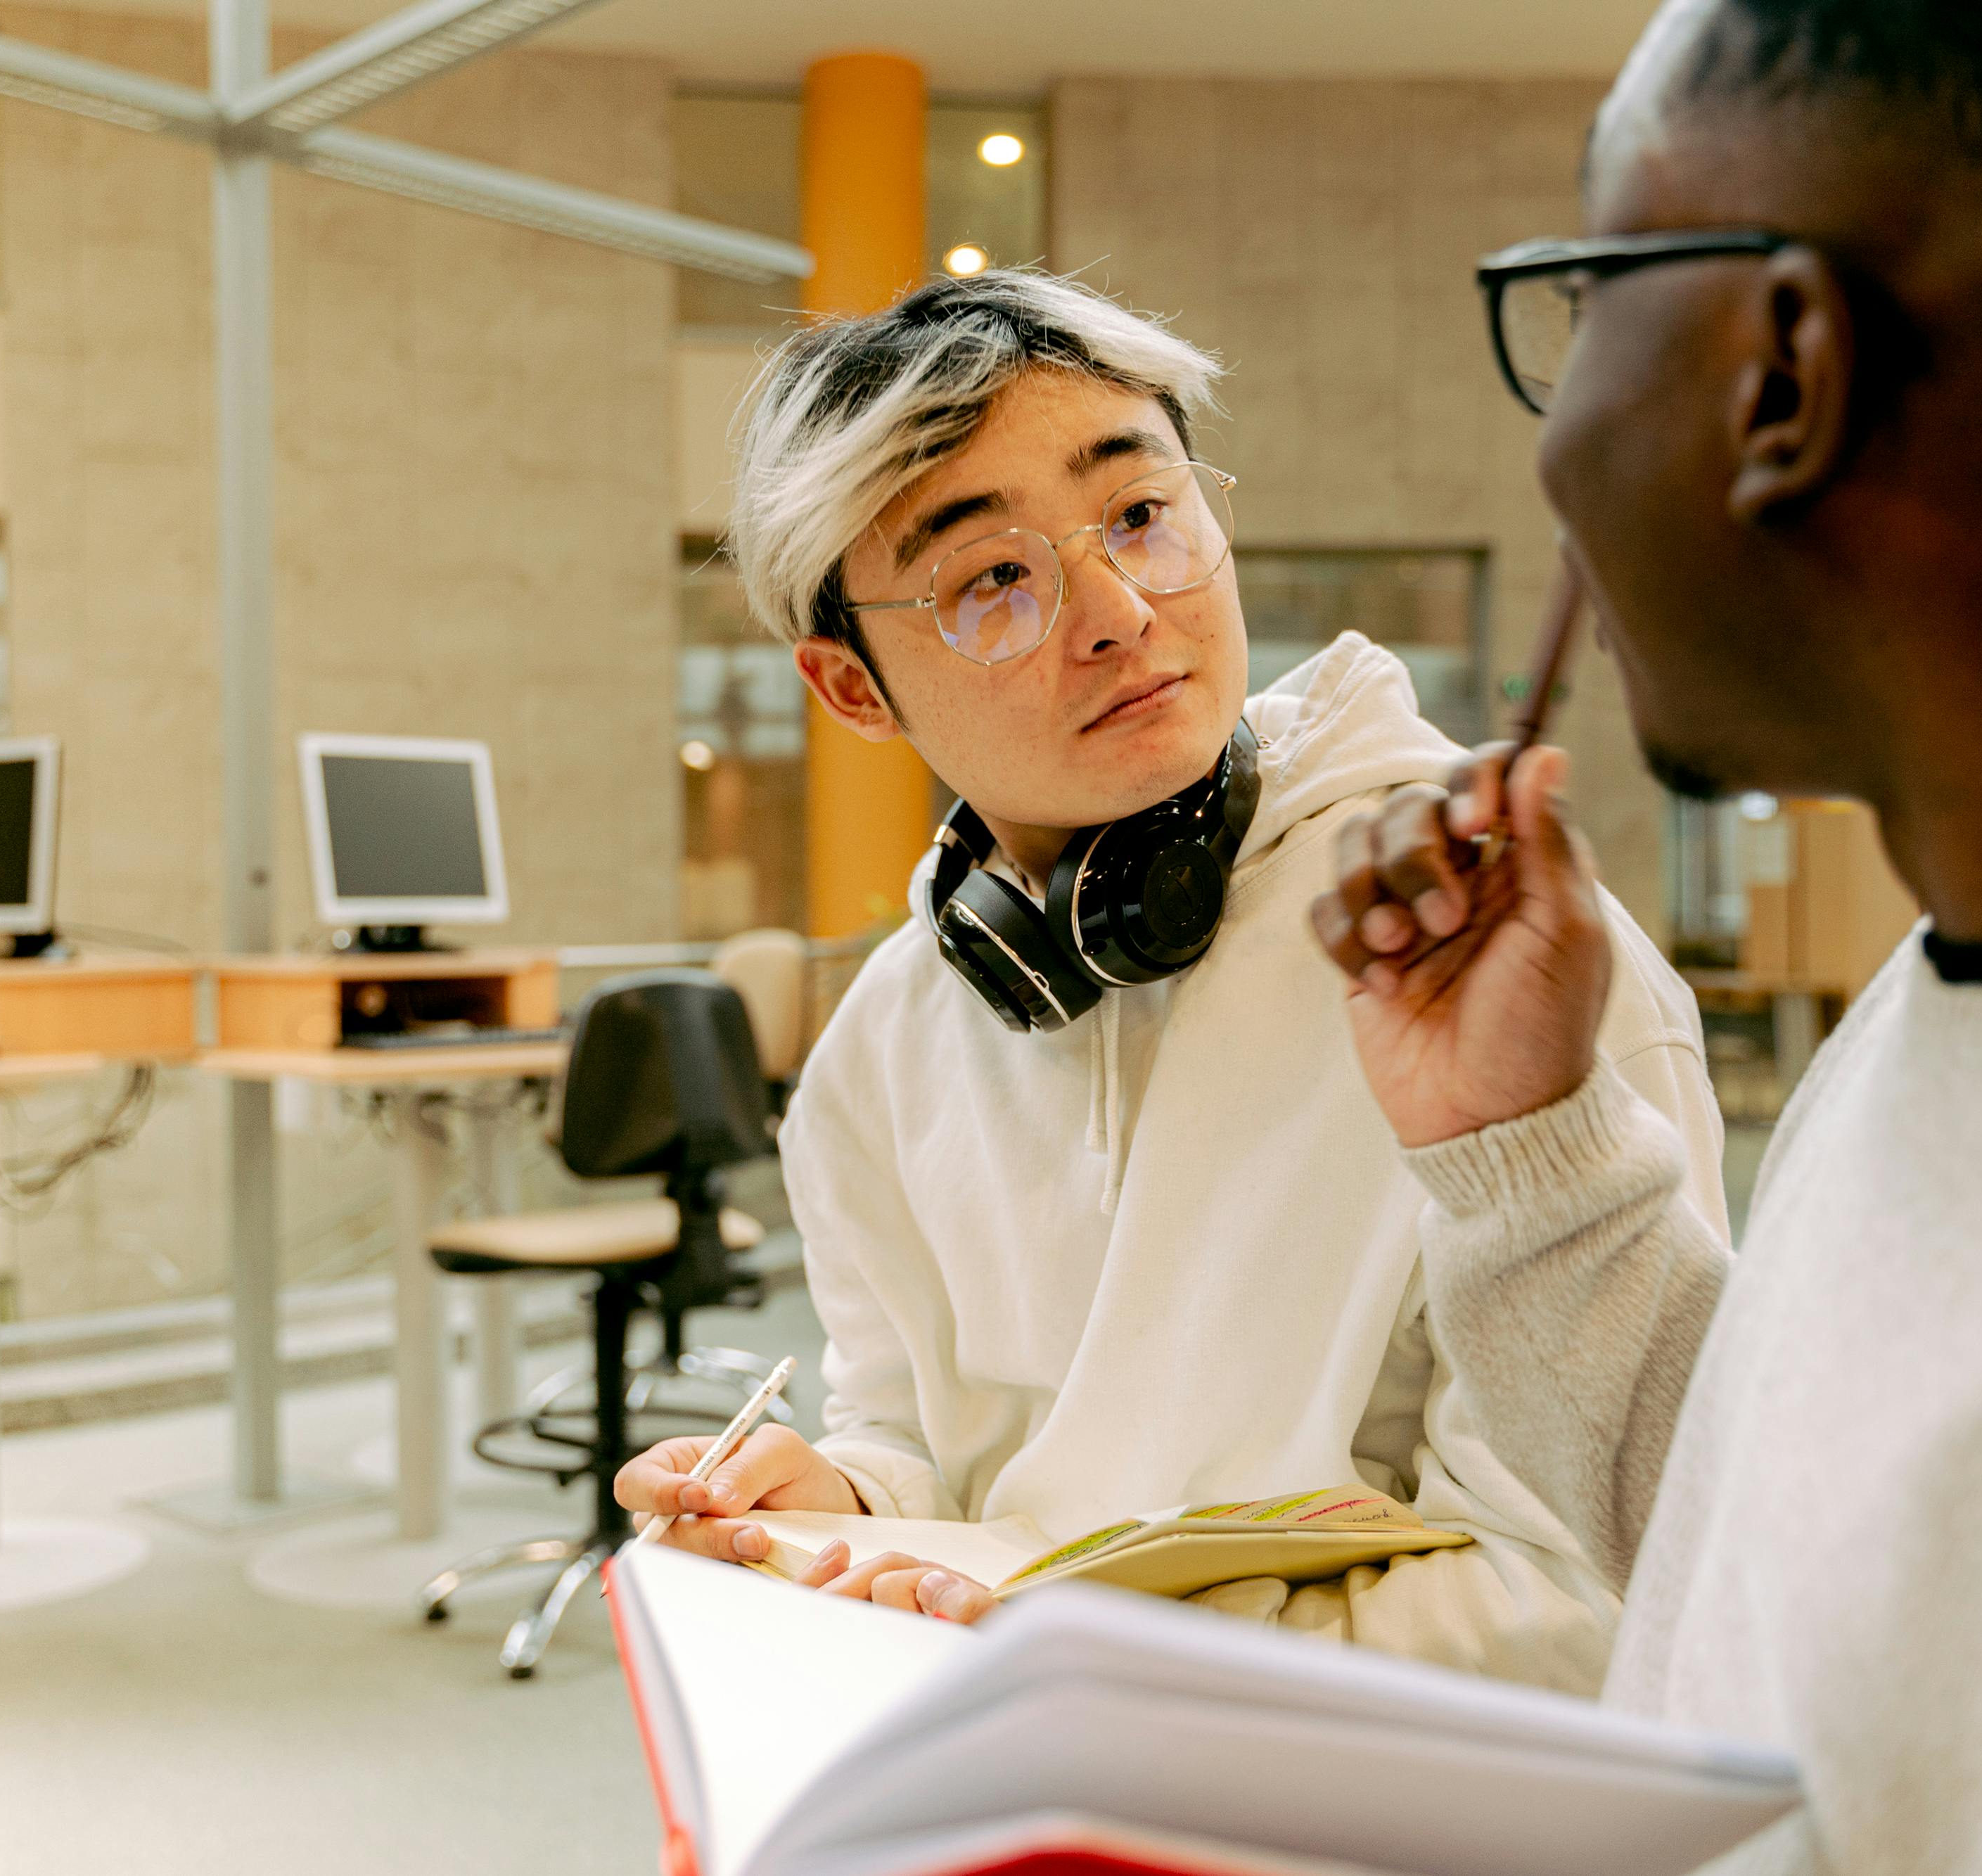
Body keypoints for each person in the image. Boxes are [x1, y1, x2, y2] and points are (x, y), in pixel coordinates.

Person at [1313, 0, 1982, 1865]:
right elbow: (1810, 1626)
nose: (1561, 441)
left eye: (1584, 299)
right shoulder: (1976, 980)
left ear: (1785, 371)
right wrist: (1532, 1158)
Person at [615, 269, 1730, 1688]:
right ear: (849, 689)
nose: (1119, 611)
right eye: (992, 581)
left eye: (1139, 515)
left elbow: (1586, 1597)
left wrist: (1103, 1656)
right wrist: (843, 1505)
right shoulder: (876, 1055)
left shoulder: (1487, 960)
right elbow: (925, 1449)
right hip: (1030, 1742)